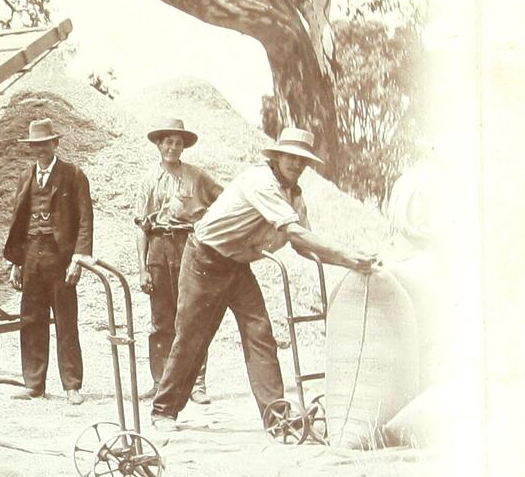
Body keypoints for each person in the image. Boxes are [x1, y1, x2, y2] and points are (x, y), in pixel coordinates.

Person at [149, 127, 377, 431]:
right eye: (290, 158)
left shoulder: (295, 197)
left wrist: (347, 263)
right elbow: (293, 232)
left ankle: (277, 418)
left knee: (261, 334)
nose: (295, 165)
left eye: (301, 161)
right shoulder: (260, 181)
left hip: (237, 265)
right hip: (205, 259)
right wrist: (346, 255)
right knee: (193, 337)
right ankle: (163, 411)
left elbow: (301, 244)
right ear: (278, 157)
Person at [2, 119, 94, 403]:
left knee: (66, 320)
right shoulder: (24, 177)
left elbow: (85, 219)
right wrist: (15, 262)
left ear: (55, 144)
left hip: (60, 258)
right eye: (35, 145)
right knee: (31, 319)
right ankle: (34, 384)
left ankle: (72, 385)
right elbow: (18, 221)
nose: (39, 150)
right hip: (31, 254)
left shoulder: (73, 174)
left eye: (44, 144)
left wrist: (78, 258)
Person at [134, 118, 224, 402]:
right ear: (158, 145)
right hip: (159, 248)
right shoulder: (148, 179)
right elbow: (140, 226)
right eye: (168, 142)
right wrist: (142, 268)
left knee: (193, 314)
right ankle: (160, 380)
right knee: (161, 319)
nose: (173, 147)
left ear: (184, 147)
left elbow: (224, 202)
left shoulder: (197, 177)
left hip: (189, 245)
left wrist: (205, 228)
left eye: (178, 143)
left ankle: (196, 384)